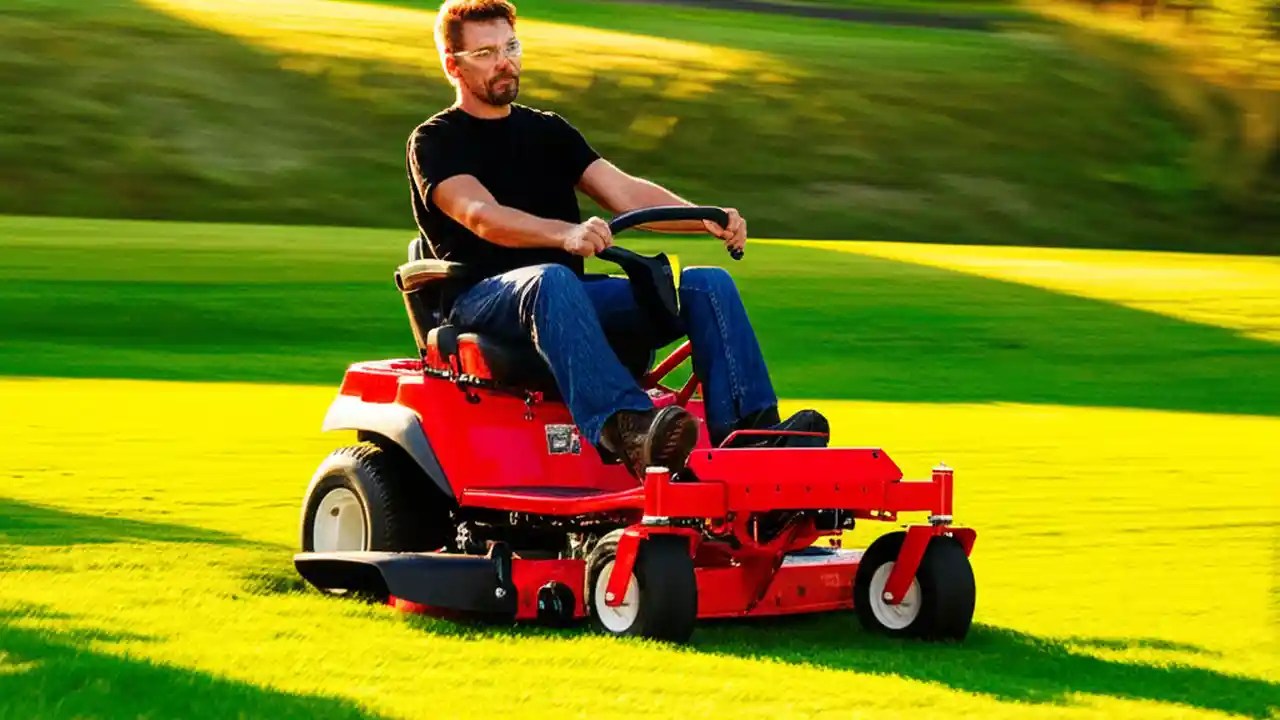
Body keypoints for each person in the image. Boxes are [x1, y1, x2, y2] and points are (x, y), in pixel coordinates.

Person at [407, 0, 827, 479]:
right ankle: (629, 428)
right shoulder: (435, 140)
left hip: (563, 296)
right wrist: (565, 233)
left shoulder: (548, 131)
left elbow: (624, 192)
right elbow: (481, 215)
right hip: (485, 302)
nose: (504, 61)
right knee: (551, 279)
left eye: (511, 46)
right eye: (485, 53)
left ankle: (751, 437)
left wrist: (701, 219)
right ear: (452, 65)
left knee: (706, 284)